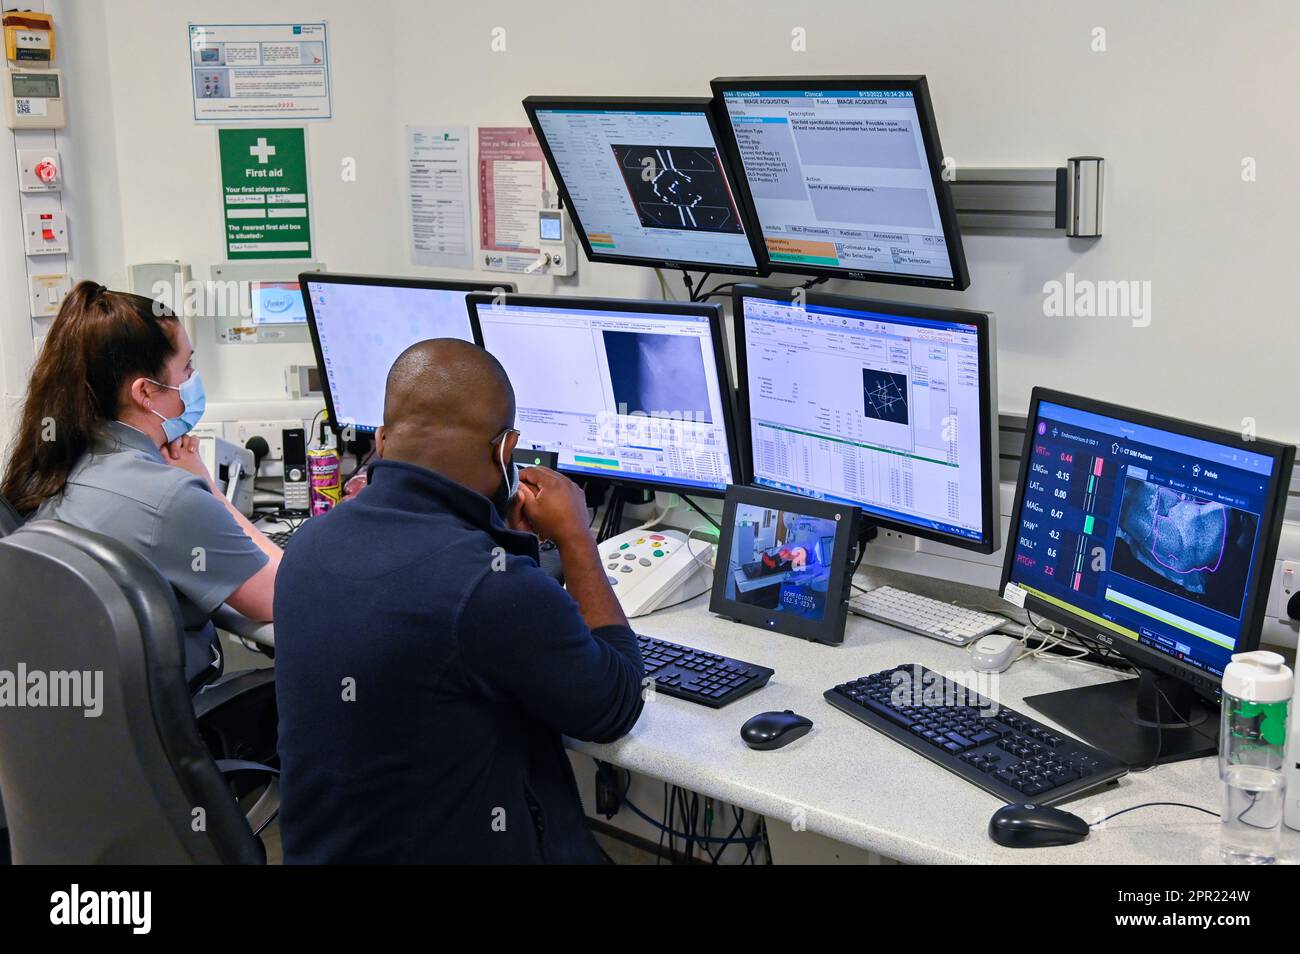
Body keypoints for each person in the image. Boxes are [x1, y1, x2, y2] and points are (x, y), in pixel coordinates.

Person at [273, 338, 644, 864]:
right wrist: (576, 540)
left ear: (382, 439)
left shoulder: (310, 543)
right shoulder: (489, 587)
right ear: (504, 451)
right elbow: (617, 704)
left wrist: (501, 544)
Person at [0, 281, 281, 687]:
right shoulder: (170, 497)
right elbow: (286, 596)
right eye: (187, 368)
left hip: (93, 721)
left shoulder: (60, 462)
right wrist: (211, 490)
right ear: (146, 392)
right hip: (171, 722)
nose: (194, 379)